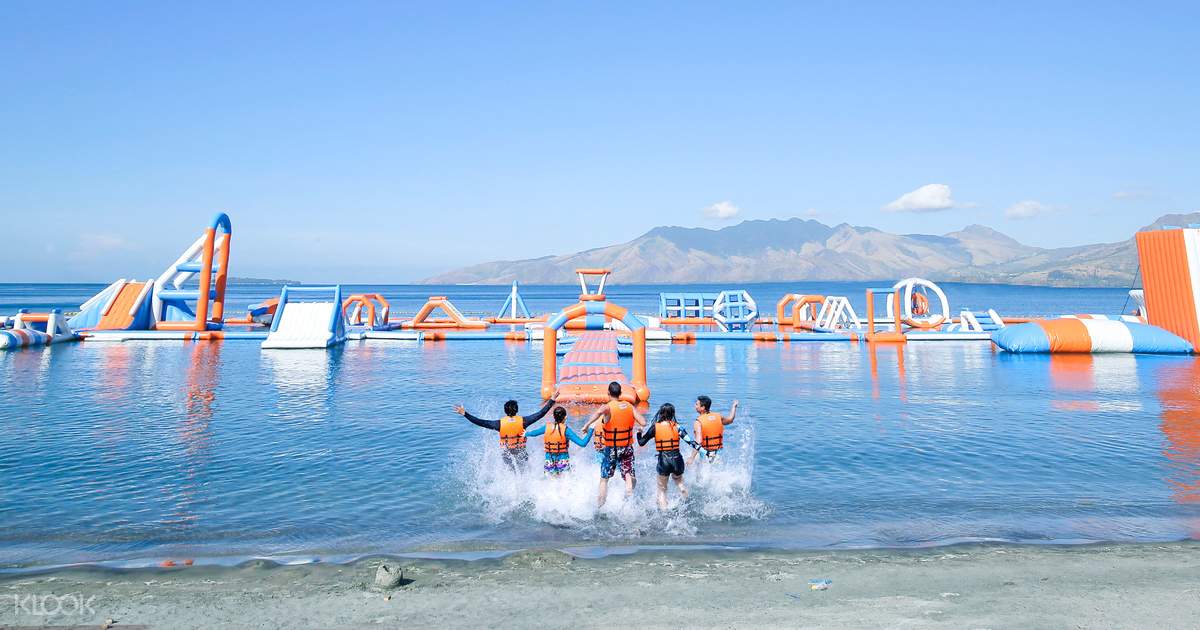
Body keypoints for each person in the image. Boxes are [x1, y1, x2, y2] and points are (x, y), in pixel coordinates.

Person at [454, 390, 559, 471]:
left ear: (505, 411)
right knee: (524, 470)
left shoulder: (499, 424)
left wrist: (465, 414)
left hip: (507, 454)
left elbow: (481, 422)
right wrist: (552, 400)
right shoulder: (524, 421)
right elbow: (541, 414)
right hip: (521, 452)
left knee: (510, 471)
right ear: (517, 410)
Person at [582, 382, 647, 507]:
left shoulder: (608, 407)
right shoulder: (629, 406)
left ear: (608, 393)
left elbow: (599, 412)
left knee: (604, 479)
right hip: (627, 448)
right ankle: (628, 496)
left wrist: (586, 425)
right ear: (621, 393)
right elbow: (643, 422)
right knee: (628, 474)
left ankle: (600, 506)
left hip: (611, 449)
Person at [637, 402, 702, 510]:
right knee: (679, 482)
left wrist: (639, 433)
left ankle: (664, 513)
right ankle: (684, 494)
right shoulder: (678, 427)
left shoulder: (655, 427)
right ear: (672, 414)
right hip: (677, 459)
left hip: (664, 461)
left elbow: (641, 442)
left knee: (662, 489)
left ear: (661, 413)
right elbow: (691, 442)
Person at [525, 406, 594, 475]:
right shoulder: (566, 430)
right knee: (564, 479)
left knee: (550, 479)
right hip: (562, 460)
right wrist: (591, 429)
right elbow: (582, 443)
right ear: (565, 417)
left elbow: (534, 433)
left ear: (553, 416)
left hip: (549, 460)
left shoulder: (546, 427)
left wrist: (525, 434)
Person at [688, 395, 738, 465]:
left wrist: (692, 457)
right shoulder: (718, 416)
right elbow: (730, 420)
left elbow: (698, 441)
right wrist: (734, 407)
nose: (695, 406)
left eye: (696, 404)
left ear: (703, 407)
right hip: (719, 452)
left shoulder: (698, 422)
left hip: (706, 454)